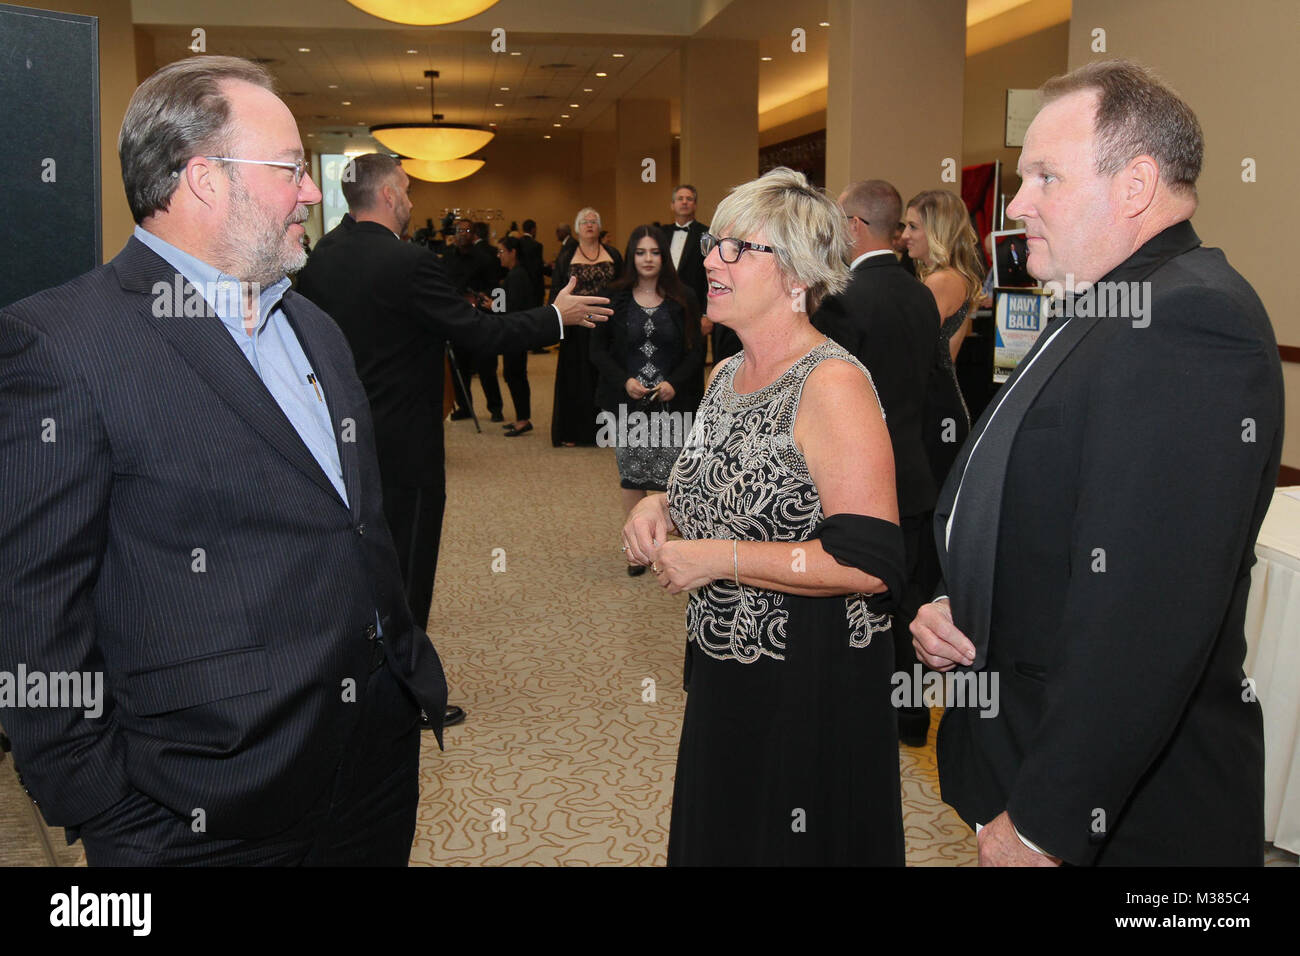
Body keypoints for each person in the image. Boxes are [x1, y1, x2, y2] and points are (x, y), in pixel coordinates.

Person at [0, 55, 455, 865]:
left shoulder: (314, 328)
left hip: (372, 763)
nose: (313, 192)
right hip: (199, 808)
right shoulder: (60, 345)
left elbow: (354, 528)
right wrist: (108, 807)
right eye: (289, 169)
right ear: (203, 178)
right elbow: (33, 610)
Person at [910, 59, 1284, 866]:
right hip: (1023, 748)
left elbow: (1145, 617)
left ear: (1136, 184)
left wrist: (1047, 822)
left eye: (1045, 175)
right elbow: (1030, 499)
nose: (1017, 203)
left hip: (1122, 819)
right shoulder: (1108, 298)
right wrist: (954, 595)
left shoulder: (1189, 319)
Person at [622, 167, 906, 865]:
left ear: (797, 274)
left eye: (735, 249)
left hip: (809, 683)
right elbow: (722, 490)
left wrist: (719, 559)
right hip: (725, 669)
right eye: (715, 244)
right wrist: (662, 506)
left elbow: (871, 564)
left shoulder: (833, 385)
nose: (711, 261)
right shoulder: (723, 375)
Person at [297, 155, 609, 721]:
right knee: (408, 565)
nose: (413, 203)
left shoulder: (321, 259)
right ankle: (404, 696)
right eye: (409, 191)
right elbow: (478, 333)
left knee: (357, 564)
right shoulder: (409, 262)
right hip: (405, 442)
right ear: (389, 196)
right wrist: (554, 317)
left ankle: (351, 687)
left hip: (336, 438)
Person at [813, 178, 942, 747]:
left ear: (855, 227)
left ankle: (861, 716)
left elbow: (829, 401)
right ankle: (911, 714)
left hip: (860, 479)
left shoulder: (843, 299)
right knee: (909, 598)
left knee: (859, 601)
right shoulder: (921, 292)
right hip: (915, 473)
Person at [592, 225, 704, 575]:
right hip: (628, 406)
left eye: (654, 252)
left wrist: (675, 382)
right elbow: (597, 351)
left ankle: (671, 549)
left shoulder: (683, 296)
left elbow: (696, 351)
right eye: (641, 252)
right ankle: (635, 548)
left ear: (663, 257)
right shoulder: (613, 297)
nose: (648, 259)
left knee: (672, 478)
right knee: (632, 478)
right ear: (631, 256)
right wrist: (624, 381)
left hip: (672, 405)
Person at [903, 189, 986, 490]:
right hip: (938, 403)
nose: (905, 235)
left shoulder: (942, 281)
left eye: (914, 227)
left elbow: (913, 348)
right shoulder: (945, 278)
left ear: (937, 231)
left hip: (936, 408)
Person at [549, 207, 622, 446]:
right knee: (577, 378)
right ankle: (574, 432)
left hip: (608, 326)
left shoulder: (613, 253)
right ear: (578, 228)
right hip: (576, 327)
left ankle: (608, 431)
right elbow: (557, 293)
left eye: (594, 221)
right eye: (584, 221)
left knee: (606, 376)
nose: (590, 224)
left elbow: (624, 287)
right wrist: (555, 320)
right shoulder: (567, 255)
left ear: (599, 227)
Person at [496, 235, 535, 436]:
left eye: (501, 251)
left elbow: (514, 308)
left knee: (515, 375)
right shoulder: (513, 275)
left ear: (513, 253)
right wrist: (493, 304)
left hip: (516, 333)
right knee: (513, 375)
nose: (499, 256)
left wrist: (495, 306)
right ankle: (521, 417)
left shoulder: (517, 276)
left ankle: (523, 420)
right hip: (514, 331)